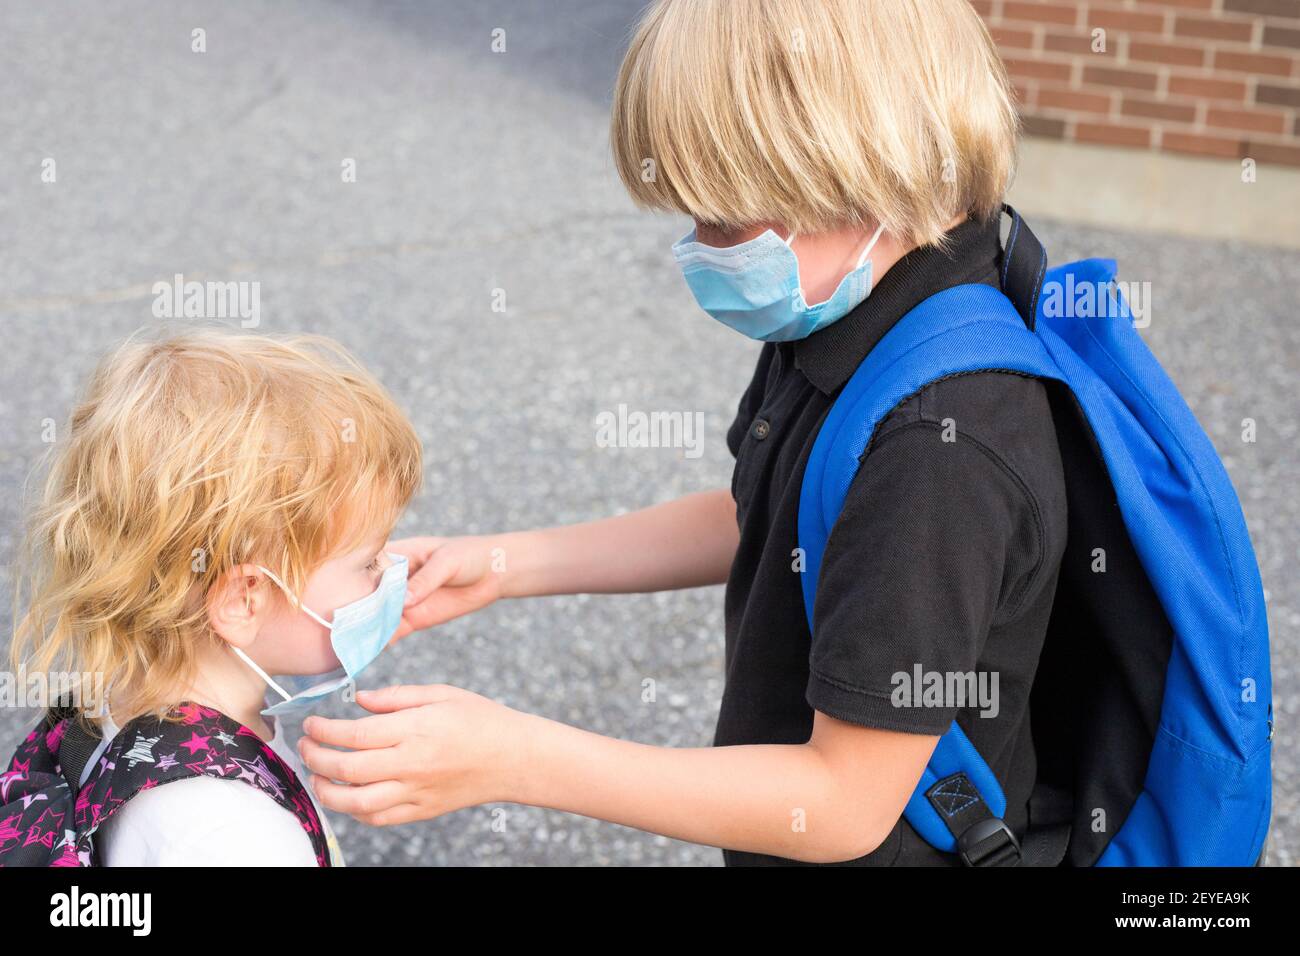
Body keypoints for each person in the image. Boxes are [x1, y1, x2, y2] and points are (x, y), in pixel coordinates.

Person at [299, 0, 1066, 865]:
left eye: (727, 219)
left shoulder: (940, 447)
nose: (700, 248)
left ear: (862, 173)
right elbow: (769, 518)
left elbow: (844, 802)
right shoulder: (848, 310)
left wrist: (518, 759)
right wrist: (508, 564)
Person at [2, 328, 422, 865]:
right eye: (368, 561)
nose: (391, 573)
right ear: (244, 599)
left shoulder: (110, 699)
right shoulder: (232, 836)